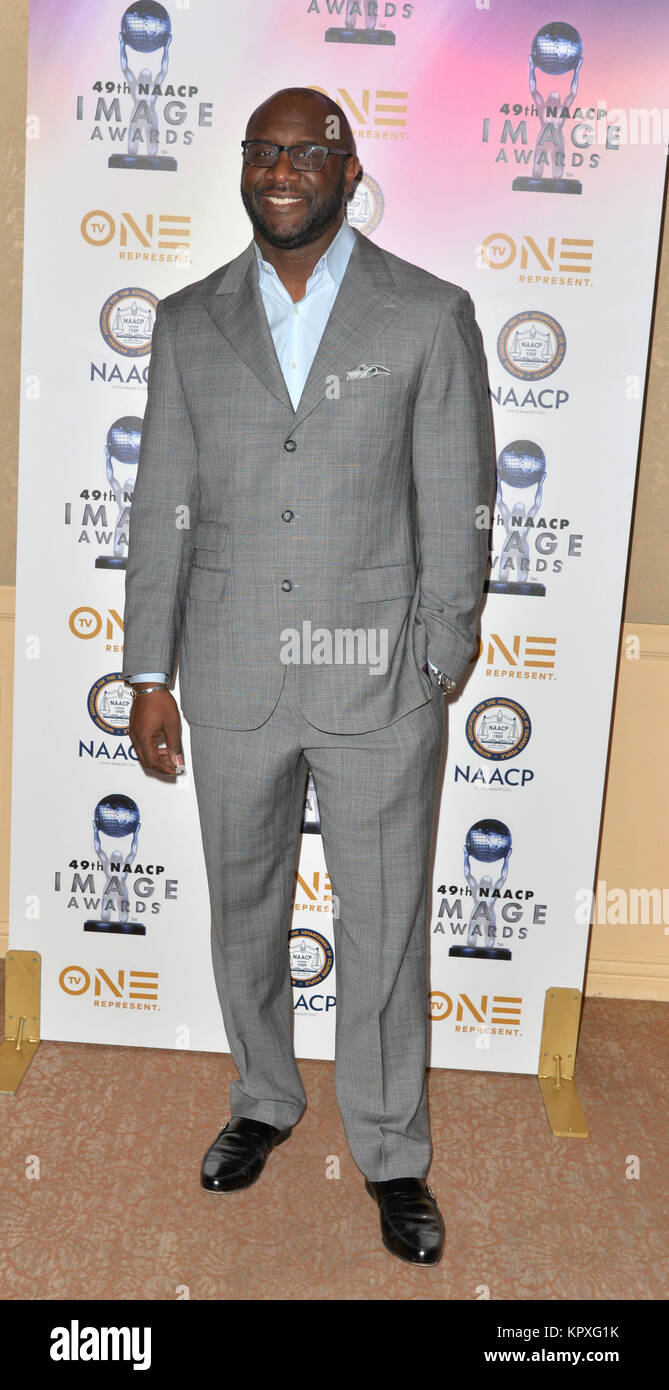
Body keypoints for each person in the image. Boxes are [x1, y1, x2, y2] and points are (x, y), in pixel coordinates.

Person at [122, 86, 495, 1267]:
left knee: (382, 926)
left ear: (345, 167)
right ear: (245, 169)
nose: (281, 171)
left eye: (305, 153)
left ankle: (390, 1152)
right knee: (245, 907)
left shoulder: (427, 314)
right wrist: (147, 671)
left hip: (378, 678)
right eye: (263, 152)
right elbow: (158, 511)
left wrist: (440, 647)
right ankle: (262, 1097)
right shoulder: (187, 324)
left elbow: (459, 495)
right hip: (231, 670)